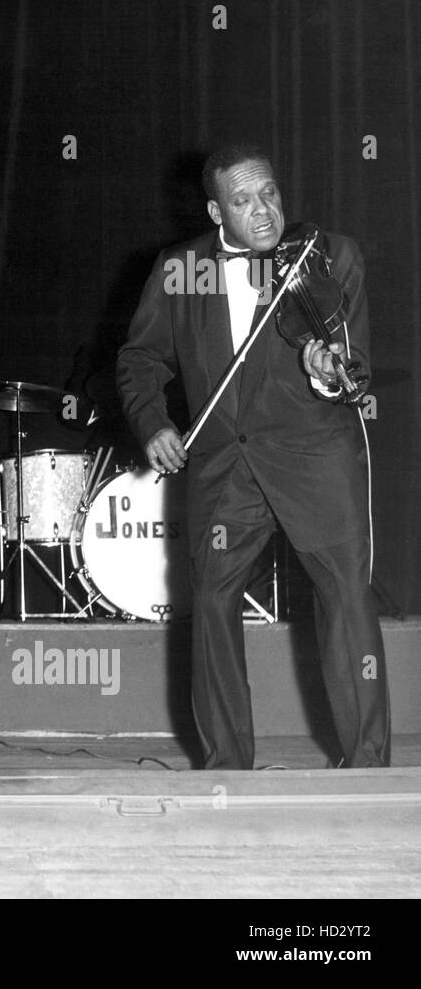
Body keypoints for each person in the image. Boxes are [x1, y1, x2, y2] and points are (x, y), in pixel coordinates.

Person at [117, 144, 389, 769]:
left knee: (347, 598)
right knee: (212, 603)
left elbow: (355, 370)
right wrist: (154, 423)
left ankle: (366, 765)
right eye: (242, 201)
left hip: (314, 455)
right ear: (216, 212)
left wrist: (327, 371)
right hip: (224, 464)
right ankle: (227, 768)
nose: (263, 211)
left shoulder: (329, 255)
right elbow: (139, 360)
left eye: (269, 193)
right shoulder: (180, 267)